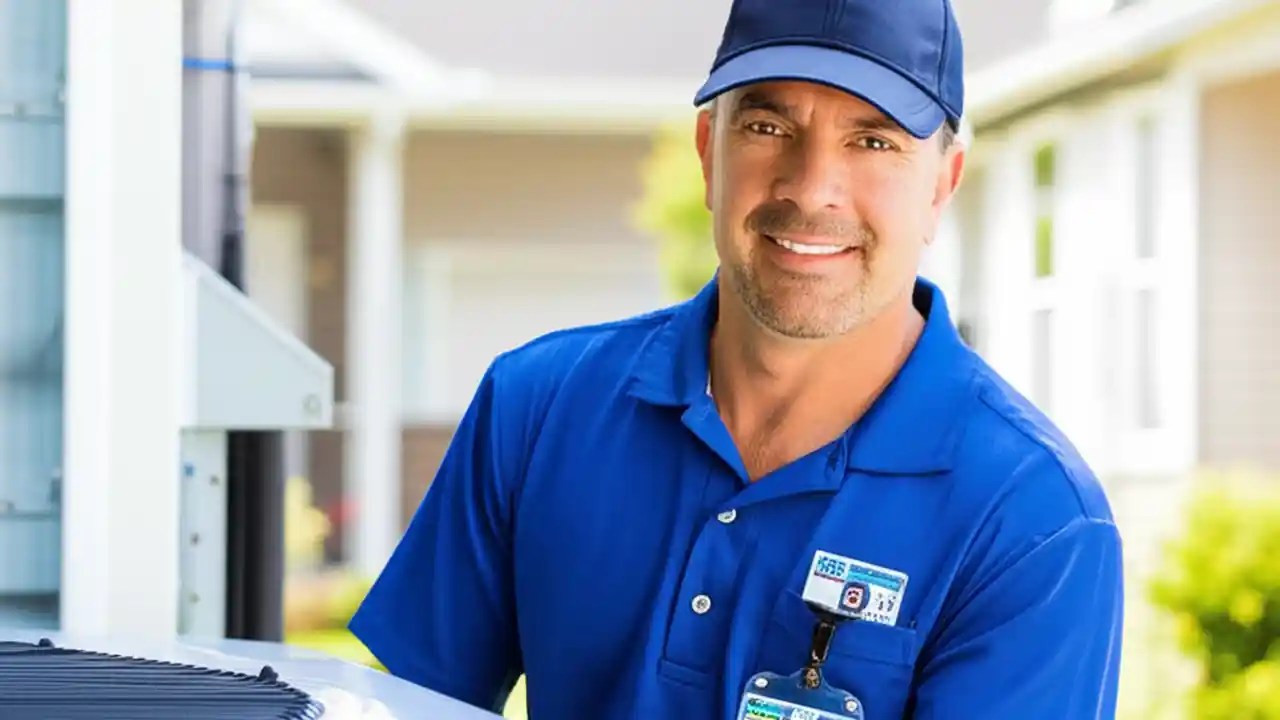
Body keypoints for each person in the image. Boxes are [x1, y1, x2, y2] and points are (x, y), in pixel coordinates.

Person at [349, 0, 1125, 717]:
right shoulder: (537, 407)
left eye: (873, 140)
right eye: (767, 127)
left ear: (941, 187)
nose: (812, 186)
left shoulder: (1033, 523)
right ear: (707, 152)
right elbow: (408, 706)